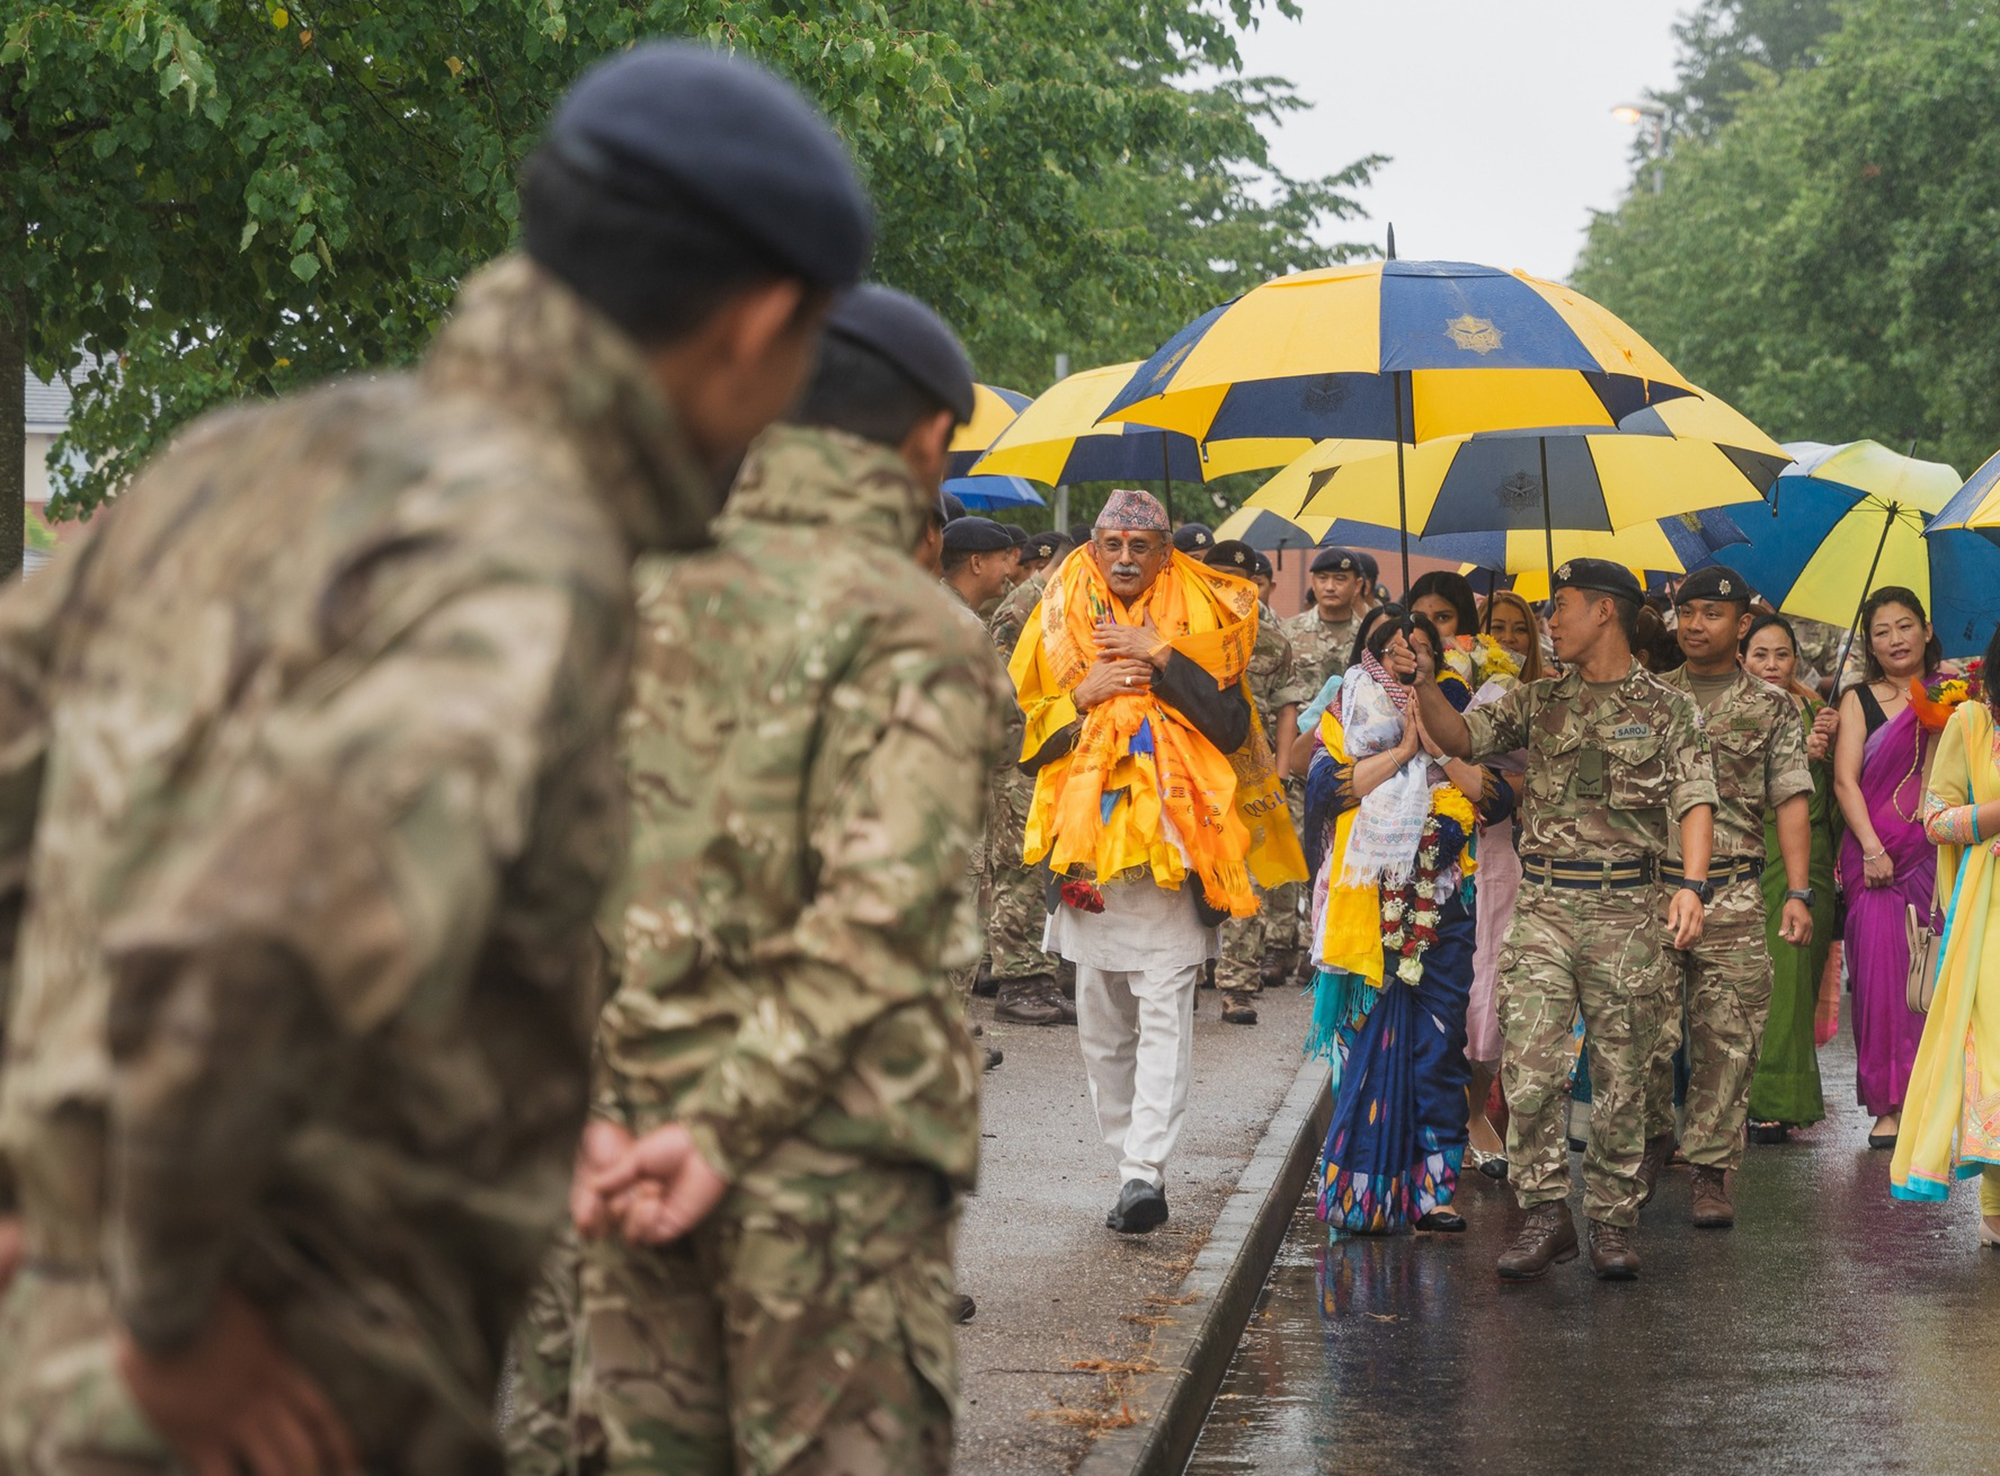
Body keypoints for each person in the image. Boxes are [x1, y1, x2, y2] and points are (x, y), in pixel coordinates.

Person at [0, 40, 870, 1476]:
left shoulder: (244, 462)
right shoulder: (526, 569)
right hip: (274, 1388)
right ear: (760, 324)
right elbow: (245, 937)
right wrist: (170, 1322)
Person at [563, 283, 1008, 1475]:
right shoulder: (914, 629)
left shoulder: (626, 598)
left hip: (625, 1160)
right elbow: (882, 920)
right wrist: (719, 1131)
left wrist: (594, 1117)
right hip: (829, 1190)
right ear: (929, 440)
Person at [1405, 558, 1715, 1282]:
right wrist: (1423, 681)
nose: (1551, 618)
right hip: (1544, 905)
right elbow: (1457, 738)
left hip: (1629, 910)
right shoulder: (1533, 700)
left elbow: (1695, 798)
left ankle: (1610, 1220)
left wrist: (1692, 885)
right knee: (1532, 1066)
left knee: (1623, 1075)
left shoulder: (1668, 708)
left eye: (1563, 604)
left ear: (1606, 611)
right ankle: (1545, 1214)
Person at [1012, 490, 1302, 1233]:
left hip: (1178, 855)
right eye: (1112, 545)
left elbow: (1234, 724)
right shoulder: (1056, 612)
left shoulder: (1203, 618)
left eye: (1142, 547)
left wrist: (1161, 657)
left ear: (1166, 551)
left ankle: (1146, 1172)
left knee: (1167, 1016)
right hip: (1089, 859)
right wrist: (1082, 695)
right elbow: (1017, 739)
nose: (1126, 560)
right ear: (1095, 546)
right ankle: (1126, 1165)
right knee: (1102, 1026)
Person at [1304, 611, 1517, 1234]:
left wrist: (1439, 750)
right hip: (1364, 907)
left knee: (1439, 1048)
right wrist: (1400, 752)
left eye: (1420, 650)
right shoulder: (1348, 715)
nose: (1407, 658)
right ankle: (1364, 1194)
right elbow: (1326, 791)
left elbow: (1498, 797)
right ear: (1371, 656)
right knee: (1365, 1046)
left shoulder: (1460, 720)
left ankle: (1434, 1193)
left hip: (1443, 911)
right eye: (1395, 648)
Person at [1639, 569, 1815, 1230]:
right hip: (1653, 887)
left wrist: (1797, 892)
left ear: (1743, 624)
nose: (1694, 624)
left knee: (1728, 1038)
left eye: (1711, 613)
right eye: (1687, 612)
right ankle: (1654, 1140)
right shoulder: (1649, 699)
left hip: (1735, 889)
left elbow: (1791, 800)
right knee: (1643, 1034)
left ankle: (1710, 1169)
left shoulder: (1771, 708)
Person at [1891, 619, 2000, 1239]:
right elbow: (1934, 819)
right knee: (1993, 1046)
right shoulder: (1972, 724)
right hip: (1989, 915)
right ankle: (1995, 1204)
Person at [1833, 586, 1943, 1150]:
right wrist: (1873, 848)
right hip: (1873, 858)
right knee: (1878, 981)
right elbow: (1845, 780)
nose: (1895, 639)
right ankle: (1888, 1106)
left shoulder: (1957, 692)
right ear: (1870, 645)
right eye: (1882, 631)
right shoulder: (1859, 700)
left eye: (1905, 626)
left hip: (1937, 850)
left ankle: (1933, 1100)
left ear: (1926, 629)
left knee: (1933, 980)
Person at [1740, 613, 1841, 1142]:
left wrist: (1826, 747)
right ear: (1743, 658)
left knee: (1793, 981)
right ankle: (1735, 1097)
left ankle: (1779, 1101)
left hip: (1809, 859)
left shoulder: (1817, 713)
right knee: (1743, 985)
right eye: (1761, 654)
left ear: (1796, 660)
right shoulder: (1728, 709)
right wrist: (1793, 759)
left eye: (1782, 654)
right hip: (1748, 851)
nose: (1772, 665)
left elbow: (1837, 792)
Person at [1208, 539, 1313, 1025]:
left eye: (1241, 580)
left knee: (1247, 882)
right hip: (1189, 774)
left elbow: (1289, 705)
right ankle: (1183, 976)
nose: (1231, 588)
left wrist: (1282, 771)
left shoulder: (1272, 640)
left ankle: (1237, 986)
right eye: (1220, 577)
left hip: (1250, 775)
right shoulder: (1181, 631)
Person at [1465, 590, 1546, 1175]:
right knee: (1461, 981)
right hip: (1455, 848)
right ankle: (1460, 1116)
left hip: (1513, 853)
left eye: (1521, 629)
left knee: (1499, 986)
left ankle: (1488, 1114)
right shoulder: (1458, 683)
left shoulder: (1545, 694)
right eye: (1498, 627)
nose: (1510, 639)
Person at [1286, 546, 1369, 699]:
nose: (1330, 587)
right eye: (1322, 578)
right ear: (1313, 582)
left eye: (1340, 579)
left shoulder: (1369, 636)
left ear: (1357, 585)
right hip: (1301, 721)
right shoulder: (1288, 632)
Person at [942, 515, 1019, 614]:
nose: (1007, 571)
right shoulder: (962, 622)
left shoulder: (937, 604)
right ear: (976, 564)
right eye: (1003, 559)